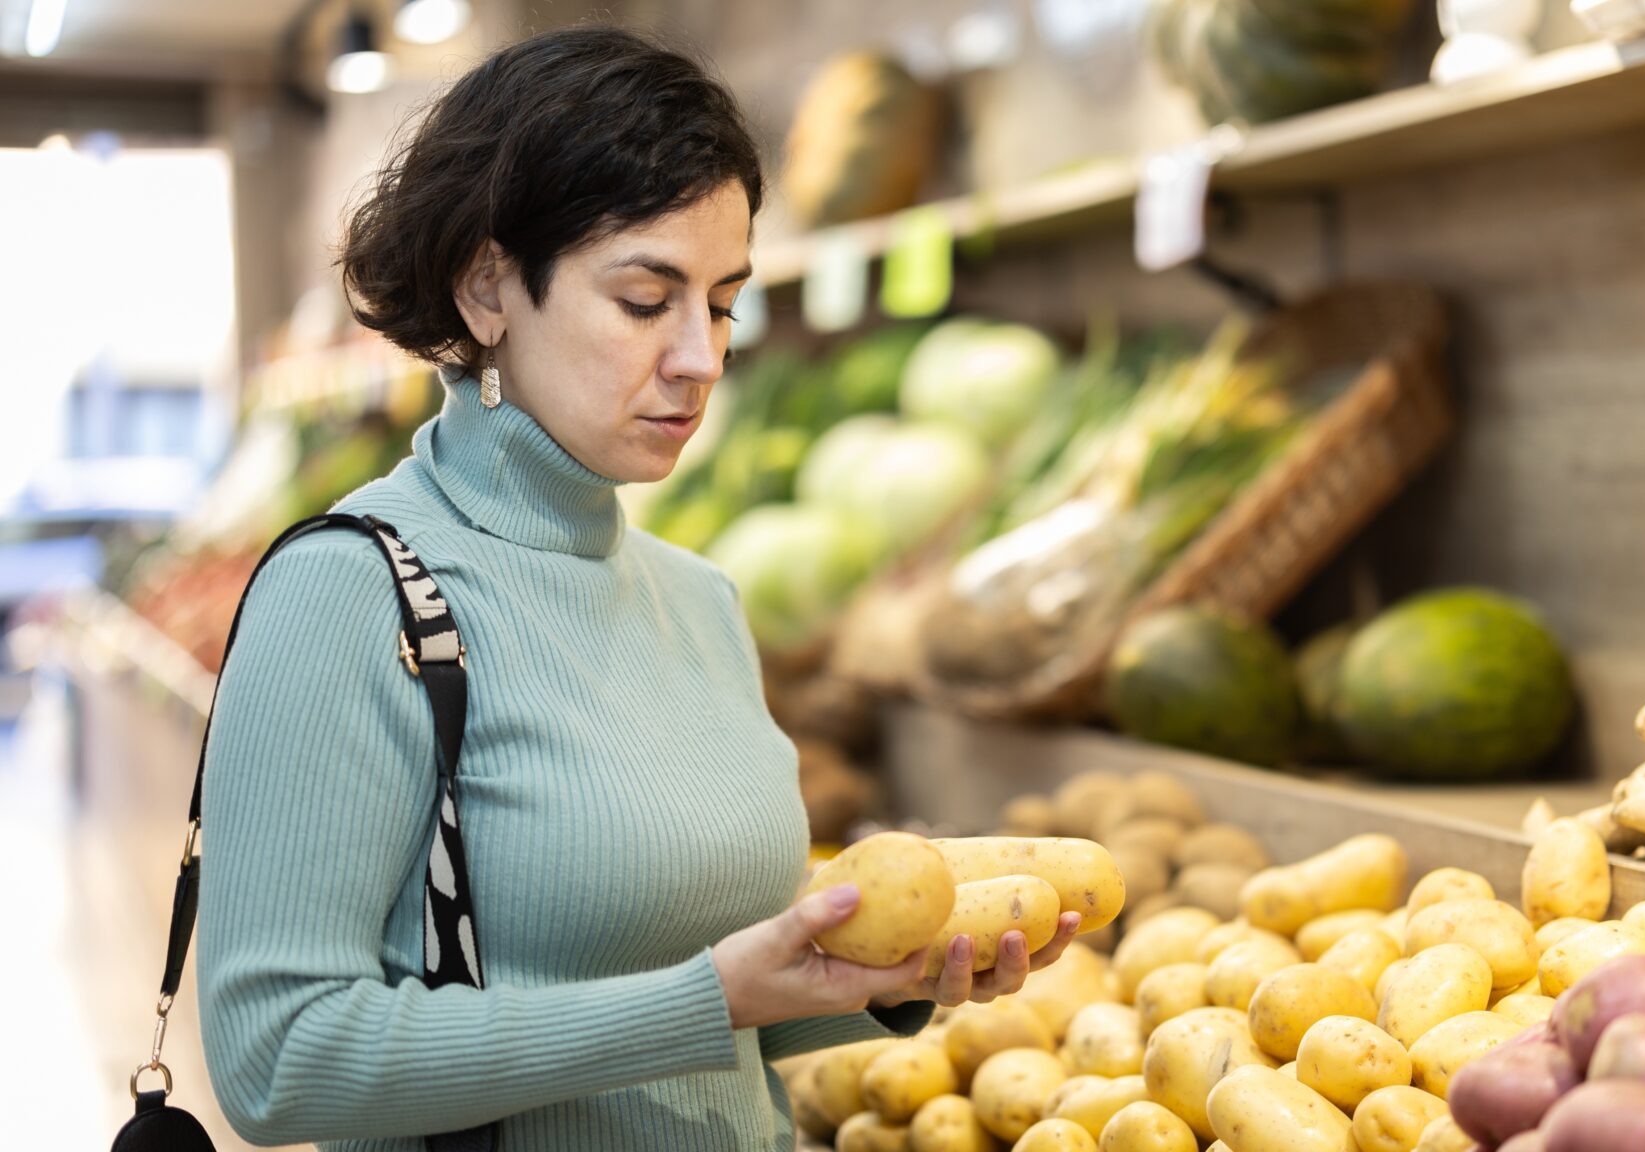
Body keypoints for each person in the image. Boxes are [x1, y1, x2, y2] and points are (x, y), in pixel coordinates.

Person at [195, 26, 1078, 1150]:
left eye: (719, 302)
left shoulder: (700, 602)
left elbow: (718, 1017)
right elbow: (279, 1063)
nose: (701, 358)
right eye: (644, 299)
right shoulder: (352, 593)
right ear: (485, 289)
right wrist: (703, 1002)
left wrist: (885, 983)